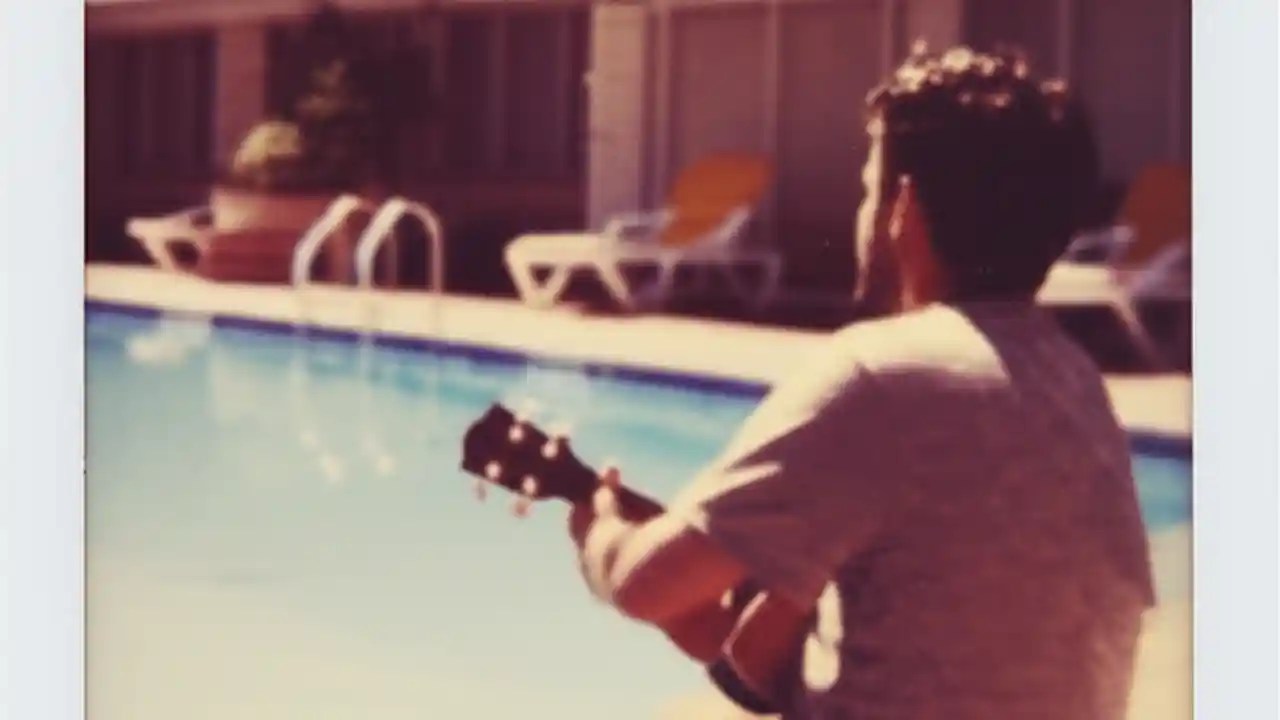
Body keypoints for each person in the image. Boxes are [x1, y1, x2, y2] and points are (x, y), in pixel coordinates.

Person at [567, 45, 1155, 720]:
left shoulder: (879, 375)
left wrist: (601, 535)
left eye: (868, 186)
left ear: (902, 207)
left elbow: (647, 588)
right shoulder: (1075, 383)